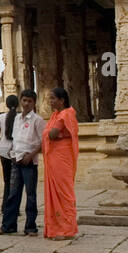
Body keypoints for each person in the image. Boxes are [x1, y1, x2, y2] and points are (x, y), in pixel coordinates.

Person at [0, 89, 45, 235]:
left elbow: (43, 142)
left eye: (29, 101)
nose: (26, 103)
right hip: (16, 159)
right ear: (21, 101)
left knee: (30, 194)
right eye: (24, 100)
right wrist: (12, 153)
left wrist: (31, 155)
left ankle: (30, 227)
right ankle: (8, 226)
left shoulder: (37, 120)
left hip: (29, 162)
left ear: (34, 103)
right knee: (13, 194)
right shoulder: (17, 119)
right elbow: (15, 138)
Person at [42, 86, 80, 240]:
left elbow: (52, 134)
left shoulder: (65, 115)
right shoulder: (56, 115)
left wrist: (47, 134)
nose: (50, 102)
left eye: (53, 98)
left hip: (61, 156)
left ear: (61, 100)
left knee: (64, 192)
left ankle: (67, 229)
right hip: (55, 155)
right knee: (55, 192)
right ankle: (56, 228)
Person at [0, 93, 20, 215]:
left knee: (7, 181)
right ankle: (14, 208)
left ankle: (4, 208)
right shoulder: (19, 117)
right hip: (15, 151)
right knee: (15, 181)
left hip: (3, 151)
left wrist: (1, 146)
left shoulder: (2, 117)